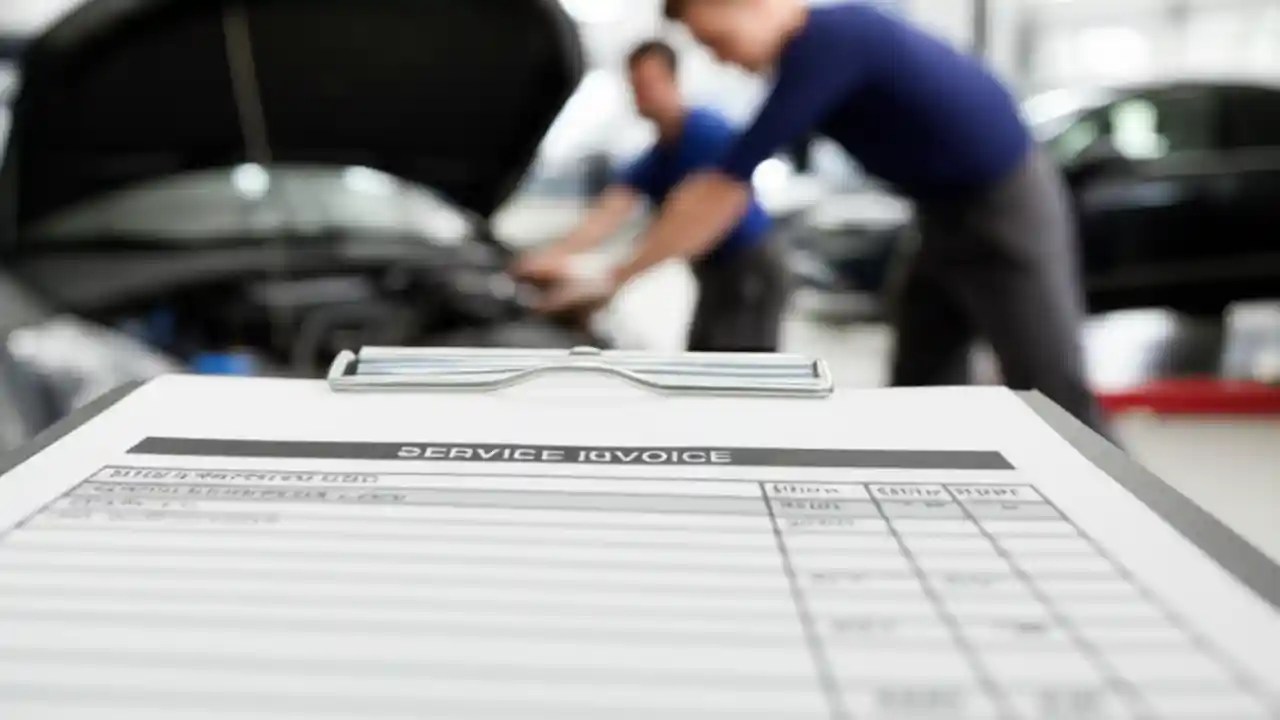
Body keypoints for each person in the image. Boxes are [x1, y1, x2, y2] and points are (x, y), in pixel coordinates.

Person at [542, 0, 1107, 433]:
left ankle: (1126, 526)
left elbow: (720, 191)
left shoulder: (830, 41)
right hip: (940, 213)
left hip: (1005, 202)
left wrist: (612, 281)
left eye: (716, 40)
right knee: (920, 385)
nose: (719, 58)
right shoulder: (808, 62)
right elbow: (676, 194)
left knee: (1050, 388)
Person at [514, 40, 789, 353]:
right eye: (635, 86)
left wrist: (612, 280)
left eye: (648, 84)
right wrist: (552, 256)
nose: (641, 96)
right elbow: (608, 214)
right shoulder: (657, 157)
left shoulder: (707, 134)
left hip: (749, 269)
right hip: (713, 271)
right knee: (703, 354)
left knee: (736, 369)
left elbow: (686, 225)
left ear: (674, 81)